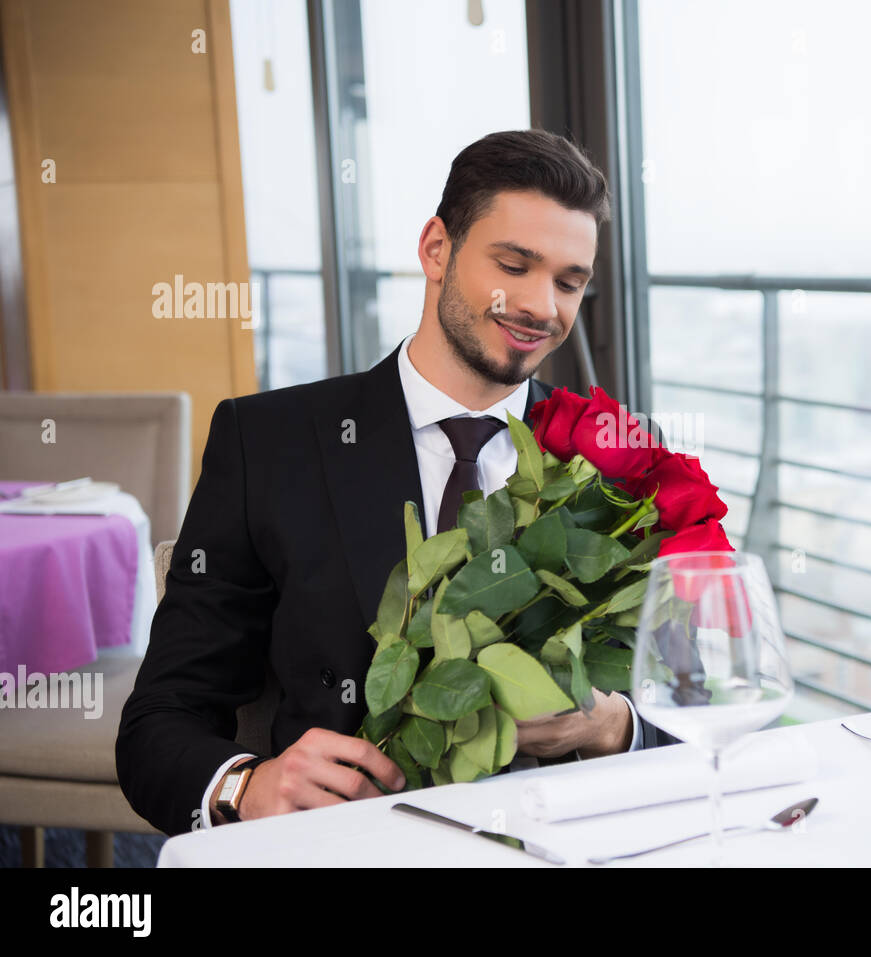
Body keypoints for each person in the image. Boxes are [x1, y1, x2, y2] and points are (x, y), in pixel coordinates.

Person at [116, 129, 675, 838]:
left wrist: (608, 723)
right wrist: (249, 784)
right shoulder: (268, 443)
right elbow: (159, 722)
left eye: (569, 282)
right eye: (514, 264)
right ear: (435, 249)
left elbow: (703, 715)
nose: (541, 305)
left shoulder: (619, 468)